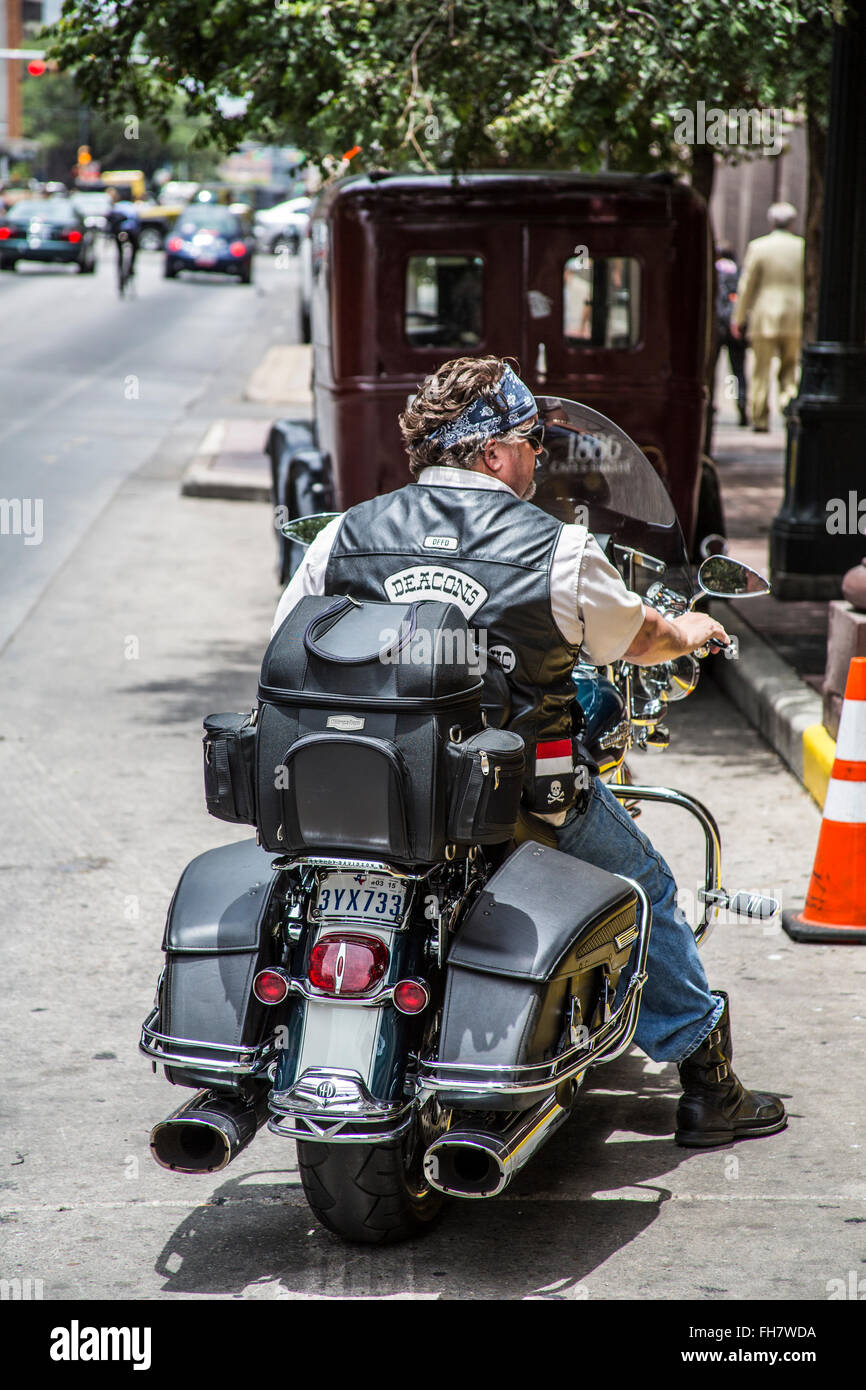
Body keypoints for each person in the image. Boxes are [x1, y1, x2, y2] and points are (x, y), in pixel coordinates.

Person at [273, 356, 787, 1149]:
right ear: (490, 453)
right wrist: (686, 629)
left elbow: (288, 639)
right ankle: (706, 1082)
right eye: (531, 441)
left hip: (364, 796)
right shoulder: (557, 549)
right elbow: (638, 636)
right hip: (515, 801)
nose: (539, 457)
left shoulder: (347, 533)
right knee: (644, 885)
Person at [732, 203, 804, 432]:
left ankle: (760, 418)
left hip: (765, 316)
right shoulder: (802, 247)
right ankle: (788, 406)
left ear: (772, 222)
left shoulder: (759, 247)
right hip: (795, 315)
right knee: (790, 368)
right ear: (792, 223)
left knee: (760, 369)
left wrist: (739, 317)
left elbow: (747, 285)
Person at [714, 243, 748, 426]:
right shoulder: (738, 273)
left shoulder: (715, 273)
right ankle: (739, 400)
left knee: (712, 369)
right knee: (736, 371)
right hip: (735, 328)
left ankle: (712, 404)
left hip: (716, 328)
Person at [104, 188, 141, 289]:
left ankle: (120, 273)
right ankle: (131, 267)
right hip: (131, 232)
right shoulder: (133, 206)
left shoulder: (116, 206)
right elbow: (137, 222)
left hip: (119, 233)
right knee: (135, 248)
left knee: (119, 253)